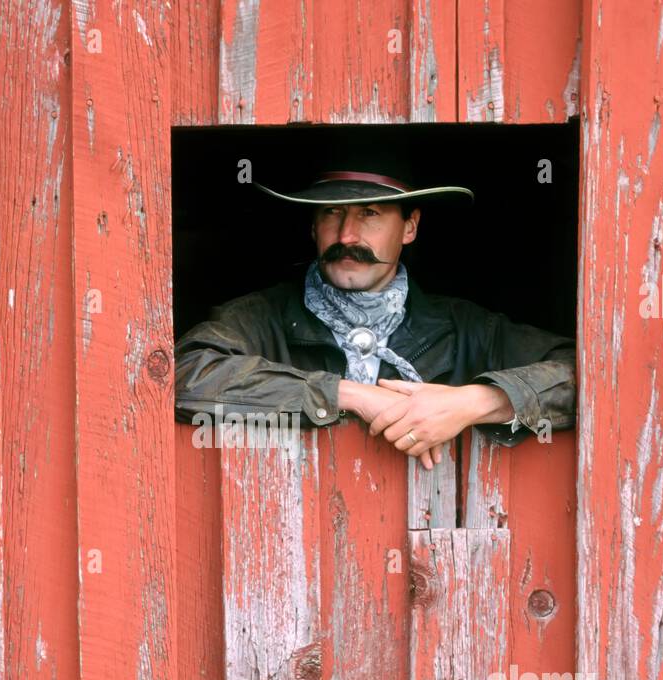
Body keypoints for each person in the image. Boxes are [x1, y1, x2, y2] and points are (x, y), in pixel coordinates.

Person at [173, 154, 576, 470]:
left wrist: (474, 403)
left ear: (410, 228)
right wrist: (346, 394)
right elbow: (185, 375)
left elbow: (583, 376)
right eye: (331, 213)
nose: (347, 235)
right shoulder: (260, 317)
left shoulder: (465, 327)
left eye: (370, 213)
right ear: (313, 227)